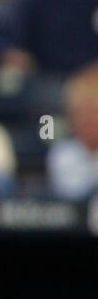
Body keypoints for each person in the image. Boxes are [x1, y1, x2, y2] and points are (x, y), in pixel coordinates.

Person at [47, 62, 98, 200]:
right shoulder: (62, 154)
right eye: (82, 113)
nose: (88, 120)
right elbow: (73, 198)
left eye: (94, 112)